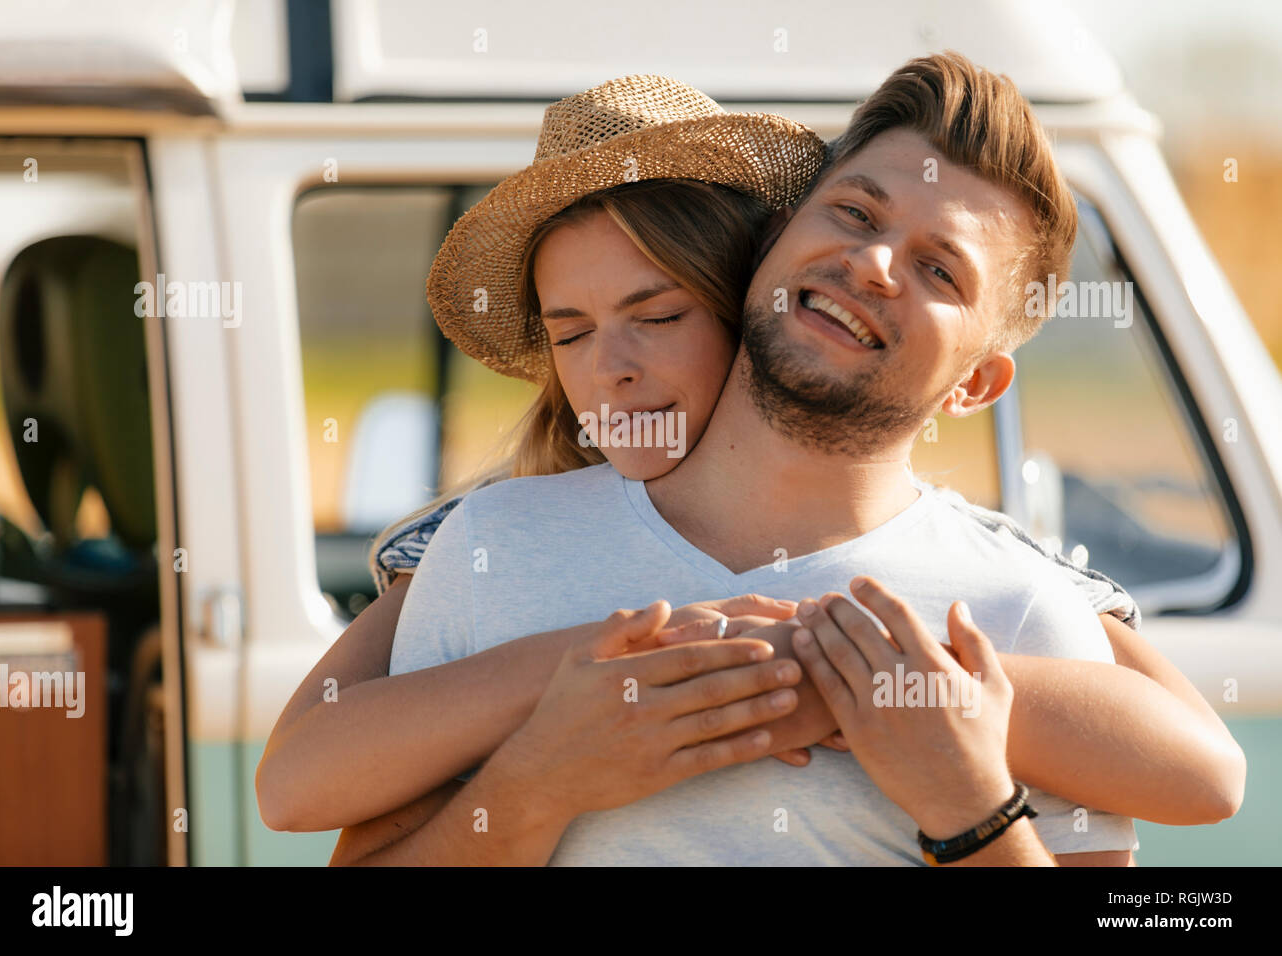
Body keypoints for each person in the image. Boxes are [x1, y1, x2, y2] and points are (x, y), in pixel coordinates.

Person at [255, 67, 1244, 865]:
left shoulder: (1024, 611)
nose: (874, 263)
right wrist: (540, 781)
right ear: (777, 240)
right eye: (854, 213)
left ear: (978, 385)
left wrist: (966, 802)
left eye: (939, 268)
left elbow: (1210, 774)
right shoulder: (492, 547)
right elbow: (300, 790)